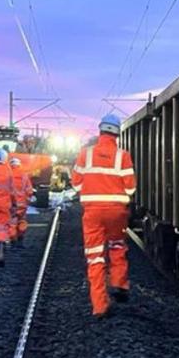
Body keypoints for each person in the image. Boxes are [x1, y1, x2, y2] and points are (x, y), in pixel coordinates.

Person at [71, 114, 137, 318]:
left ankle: (99, 306)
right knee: (117, 245)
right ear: (117, 133)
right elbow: (131, 188)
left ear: (100, 130)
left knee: (95, 257)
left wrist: (91, 191)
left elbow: (76, 184)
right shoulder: (122, 156)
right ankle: (119, 283)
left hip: (92, 213)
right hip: (117, 212)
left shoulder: (85, 154)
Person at [9, 157, 31, 245]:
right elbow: (29, 190)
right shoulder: (24, 175)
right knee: (22, 221)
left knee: (12, 222)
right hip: (22, 204)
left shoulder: (7, 175)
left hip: (11, 204)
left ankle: (13, 240)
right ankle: (20, 238)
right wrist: (28, 199)